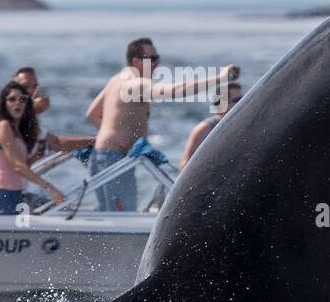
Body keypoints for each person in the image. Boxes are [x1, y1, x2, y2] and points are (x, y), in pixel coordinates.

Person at [85, 38, 238, 211]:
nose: (157, 63)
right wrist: (220, 78)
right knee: (123, 214)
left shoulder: (115, 81)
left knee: (111, 215)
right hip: (114, 159)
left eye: (157, 58)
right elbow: (175, 91)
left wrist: (111, 138)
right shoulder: (137, 83)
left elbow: (92, 114)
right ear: (136, 61)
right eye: (152, 59)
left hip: (103, 157)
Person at [0, 82, 67, 215]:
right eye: (12, 99)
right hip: (0, 197)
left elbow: (20, 167)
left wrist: (36, 156)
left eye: (22, 99)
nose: (17, 103)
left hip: (15, 195)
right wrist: (50, 188)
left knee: (59, 211)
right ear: (4, 104)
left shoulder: (16, 130)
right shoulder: (3, 126)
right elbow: (17, 166)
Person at [179, 82, 243, 169]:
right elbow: (185, 166)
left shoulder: (241, 125)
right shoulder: (204, 129)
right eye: (238, 100)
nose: (243, 104)